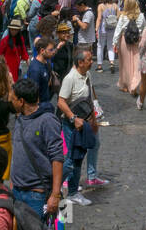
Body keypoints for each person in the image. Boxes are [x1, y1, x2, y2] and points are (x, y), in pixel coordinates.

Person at [9, 78, 64, 219]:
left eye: (13, 99)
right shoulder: (20, 119)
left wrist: (55, 195)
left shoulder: (48, 121)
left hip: (37, 195)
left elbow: (57, 158)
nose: (11, 101)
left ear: (21, 101)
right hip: (17, 191)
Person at [56, 47, 98, 206]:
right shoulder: (70, 78)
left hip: (84, 124)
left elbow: (88, 98)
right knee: (71, 160)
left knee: (79, 157)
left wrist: (93, 119)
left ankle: (73, 192)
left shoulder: (87, 75)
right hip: (71, 124)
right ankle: (54, 186)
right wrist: (73, 118)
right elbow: (60, 102)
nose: (92, 62)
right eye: (89, 60)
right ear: (80, 62)